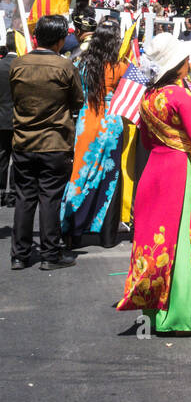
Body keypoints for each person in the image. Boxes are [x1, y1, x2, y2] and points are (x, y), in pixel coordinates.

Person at [117, 32, 191, 334]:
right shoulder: (180, 96)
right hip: (178, 170)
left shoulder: (147, 97)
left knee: (154, 238)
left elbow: (145, 140)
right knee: (180, 236)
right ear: (177, 65)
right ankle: (180, 314)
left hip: (153, 169)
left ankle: (154, 312)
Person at [9, 14, 83, 270]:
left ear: (36, 37)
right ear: (60, 41)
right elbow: (77, 101)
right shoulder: (65, 67)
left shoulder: (18, 64)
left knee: (24, 197)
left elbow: (15, 97)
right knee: (50, 198)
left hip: (23, 141)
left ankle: (19, 255)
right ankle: (50, 255)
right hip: (54, 142)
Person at [60, 23, 128, 249]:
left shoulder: (81, 64)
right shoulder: (121, 66)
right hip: (112, 123)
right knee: (110, 176)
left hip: (87, 119)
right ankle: (107, 235)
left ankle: (72, 229)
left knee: (81, 172)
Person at [0, 41, 14, 206]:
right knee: (17, 158)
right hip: (18, 118)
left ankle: (1, 191)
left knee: (2, 156)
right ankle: (13, 194)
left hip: (1, 118)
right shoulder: (21, 66)